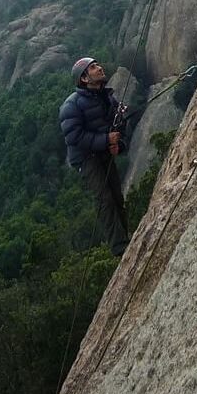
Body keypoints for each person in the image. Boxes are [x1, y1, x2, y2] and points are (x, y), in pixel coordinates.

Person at [59, 57, 130, 256]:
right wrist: (106, 139)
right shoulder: (72, 105)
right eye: (93, 67)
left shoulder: (107, 97)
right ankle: (119, 248)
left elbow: (120, 124)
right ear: (84, 78)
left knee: (116, 196)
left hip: (103, 151)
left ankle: (125, 239)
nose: (99, 68)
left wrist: (119, 144)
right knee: (104, 199)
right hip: (86, 158)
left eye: (98, 65)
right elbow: (74, 137)